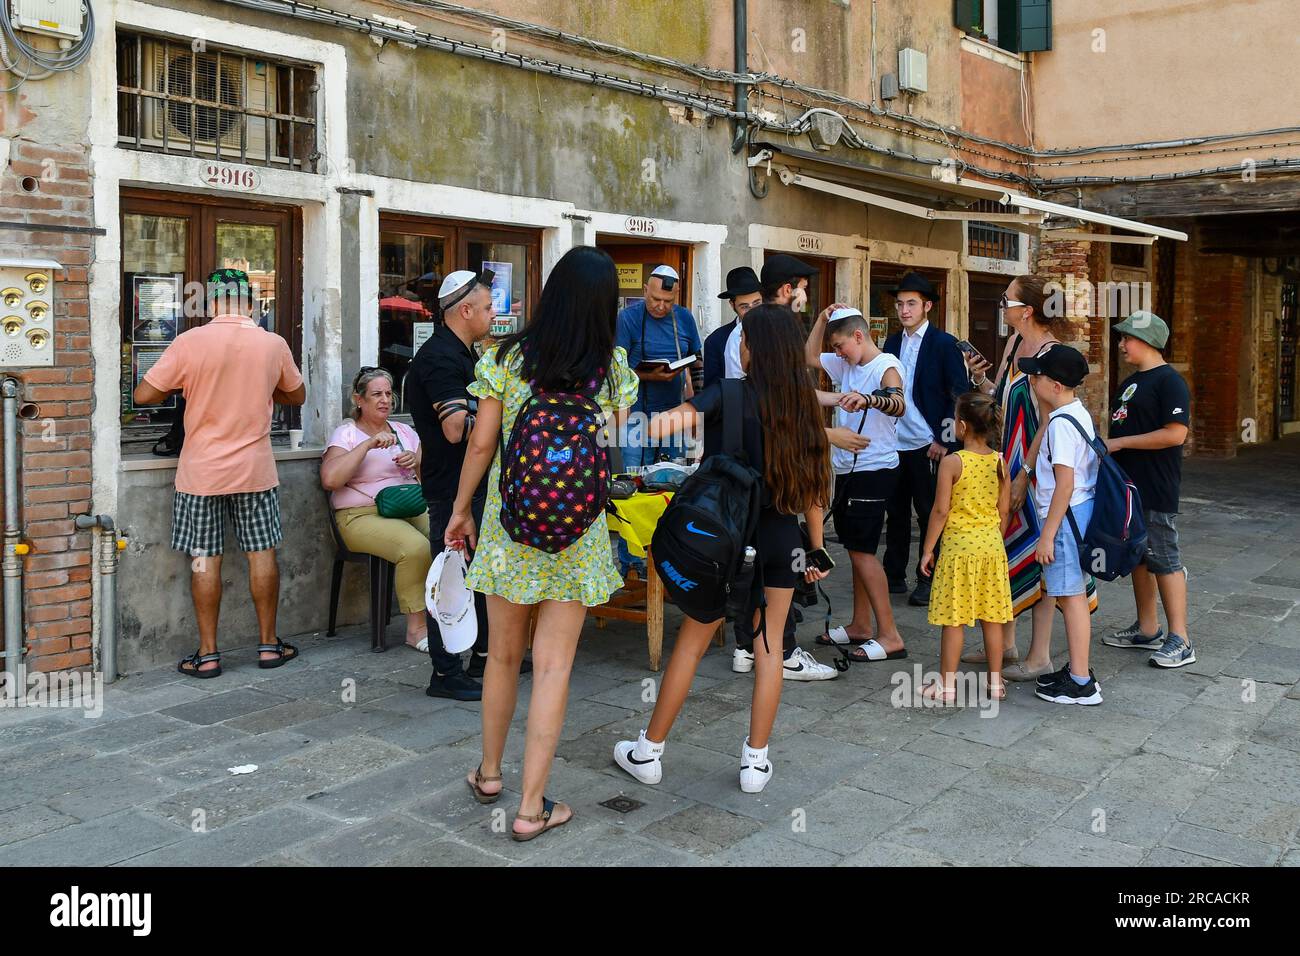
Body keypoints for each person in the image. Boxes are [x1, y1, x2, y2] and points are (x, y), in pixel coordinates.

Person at [445, 246, 639, 841]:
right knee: (553, 668)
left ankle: (488, 773)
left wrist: (459, 510)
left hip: (511, 528)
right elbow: (613, 442)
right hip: (575, 538)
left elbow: (480, 446)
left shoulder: (504, 356)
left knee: (503, 658)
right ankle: (532, 809)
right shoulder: (611, 368)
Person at [613, 305, 831, 793]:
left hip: (724, 540)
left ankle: (648, 752)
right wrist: (815, 552)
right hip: (780, 539)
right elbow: (815, 494)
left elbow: (656, 428)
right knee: (770, 647)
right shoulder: (803, 406)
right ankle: (755, 764)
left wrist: (607, 420)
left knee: (691, 644)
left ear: (753, 349)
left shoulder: (727, 394)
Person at [132, 268, 305, 678]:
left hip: (201, 472)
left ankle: (208, 654)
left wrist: (187, 385)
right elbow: (297, 394)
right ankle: (267, 646)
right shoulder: (272, 344)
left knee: (203, 559)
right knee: (261, 554)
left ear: (210, 304)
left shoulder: (189, 342)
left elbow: (143, 395)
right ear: (251, 303)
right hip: (254, 471)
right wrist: (266, 387)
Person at [962, 275, 1098, 681]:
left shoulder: (1052, 355)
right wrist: (979, 378)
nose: (1002, 304)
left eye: (1007, 298)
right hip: (1006, 461)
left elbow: (1045, 422)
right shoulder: (1013, 345)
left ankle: (1040, 655)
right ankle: (1005, 643)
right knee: (1004, 551)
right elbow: (1001, 396)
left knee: (1040, 556)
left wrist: (1023, 472)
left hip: (1036, 469)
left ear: (1028, 310)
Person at [724, 254, 839, 682]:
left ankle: (745, 647)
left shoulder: (734, 348)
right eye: (803, 287)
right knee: (778, 574)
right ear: (788, 290)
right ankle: (782, 651)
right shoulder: (773, 340)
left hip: (744, 500)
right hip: (774, 498)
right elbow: (791, 437)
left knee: (748, 574)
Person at [404, 271, 503, 700]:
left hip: (470, 483)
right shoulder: (440, 358)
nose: (493, 314)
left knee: (479, 573)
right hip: (452, 487)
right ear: (465, 311)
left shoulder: (463, 353)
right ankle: (444, 673)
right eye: (486, 307)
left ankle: (483, 655)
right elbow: (453, 427)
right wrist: (502, 423)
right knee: (452, 576)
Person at [805, 306, 910, 663]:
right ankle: (860, 624)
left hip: (874, 468)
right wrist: (821, 321)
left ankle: (890, 635)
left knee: (864, 552)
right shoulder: (844, 363)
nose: (837, 353)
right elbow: (807, 356)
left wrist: (868, 399)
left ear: (859, 336)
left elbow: (897, 403)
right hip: (848, 468)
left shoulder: (887, 366)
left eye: (840, 345)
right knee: (855, 548)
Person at [1103, 311, 1195, 668]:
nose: (1122, 344)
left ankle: (1181, 639)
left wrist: (1120, 443)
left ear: (1150, 341)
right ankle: (1147, 627)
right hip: (1129, 486)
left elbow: (1176, 434)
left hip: (1155, 485)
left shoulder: (1169, 382)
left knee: (1164, 558)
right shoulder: (1133, 381)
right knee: (1140, 557)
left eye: (1128, 338)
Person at [1016, 345, 1103, 706]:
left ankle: (1081, 681)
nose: (1031, 380)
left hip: (1064, 520)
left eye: (1036, 375)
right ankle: (1077, 672)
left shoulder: (1061, 426)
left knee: (1071, 597)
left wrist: (1047, 537)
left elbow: (1064, 484)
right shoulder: (1075, 412)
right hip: (1075, 514)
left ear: (1054, 384)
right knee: (1072, 594)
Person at [321, 368, 431, 650]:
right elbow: (331, 480)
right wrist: (367, 445)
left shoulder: (405, 431)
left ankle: (448, 616)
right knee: (415, 546)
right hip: (359, 515)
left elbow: (430, 476)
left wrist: (415, 461)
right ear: (359, 399)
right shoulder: (346, 433)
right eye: (376, 395)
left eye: (388, 394)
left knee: (449, 536)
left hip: (409, 505)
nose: (385, 400)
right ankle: (416, 630)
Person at [881, 273, 971, 607]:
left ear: (927, 306)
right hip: (894, 441)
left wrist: (945, 440)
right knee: (896, 510)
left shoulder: (944, 343)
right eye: (900, 304)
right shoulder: (891, 343)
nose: (904, 310)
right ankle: (893, 575)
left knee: (929, 511)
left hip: (929, 442)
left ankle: (928, 577)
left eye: (911, 304)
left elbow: (959, 394)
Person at [918, 392, 1013, 703]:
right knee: (993, 617)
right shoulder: (1000, 462)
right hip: (991, 548)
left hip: (959, 549)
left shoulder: (952, 462)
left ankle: (946, 686)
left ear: (961, 426)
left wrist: (928, 549)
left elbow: (940, 511)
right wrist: (993, 537)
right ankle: (996, 684)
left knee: (954, 618)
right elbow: (1004, 510)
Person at [615, 264, 703, 575]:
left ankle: (670, 560)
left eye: (667, 301)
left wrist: (698, 407)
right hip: (636, 415)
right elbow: (617, 367)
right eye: (655, 300)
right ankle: (631, 563)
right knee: (632, 486)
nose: (660, 307)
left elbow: (698, 362)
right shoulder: (627, 318)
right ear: (644, 292)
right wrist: (647, 374)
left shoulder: (684, 319)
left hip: (673, 416)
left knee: (672, 487)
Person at [702, 266, 761, 388]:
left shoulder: (778, 332)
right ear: (732, 305)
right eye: (745, 306)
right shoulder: (715, 341)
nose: (752, 312)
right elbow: (712, 390)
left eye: (757, 303)